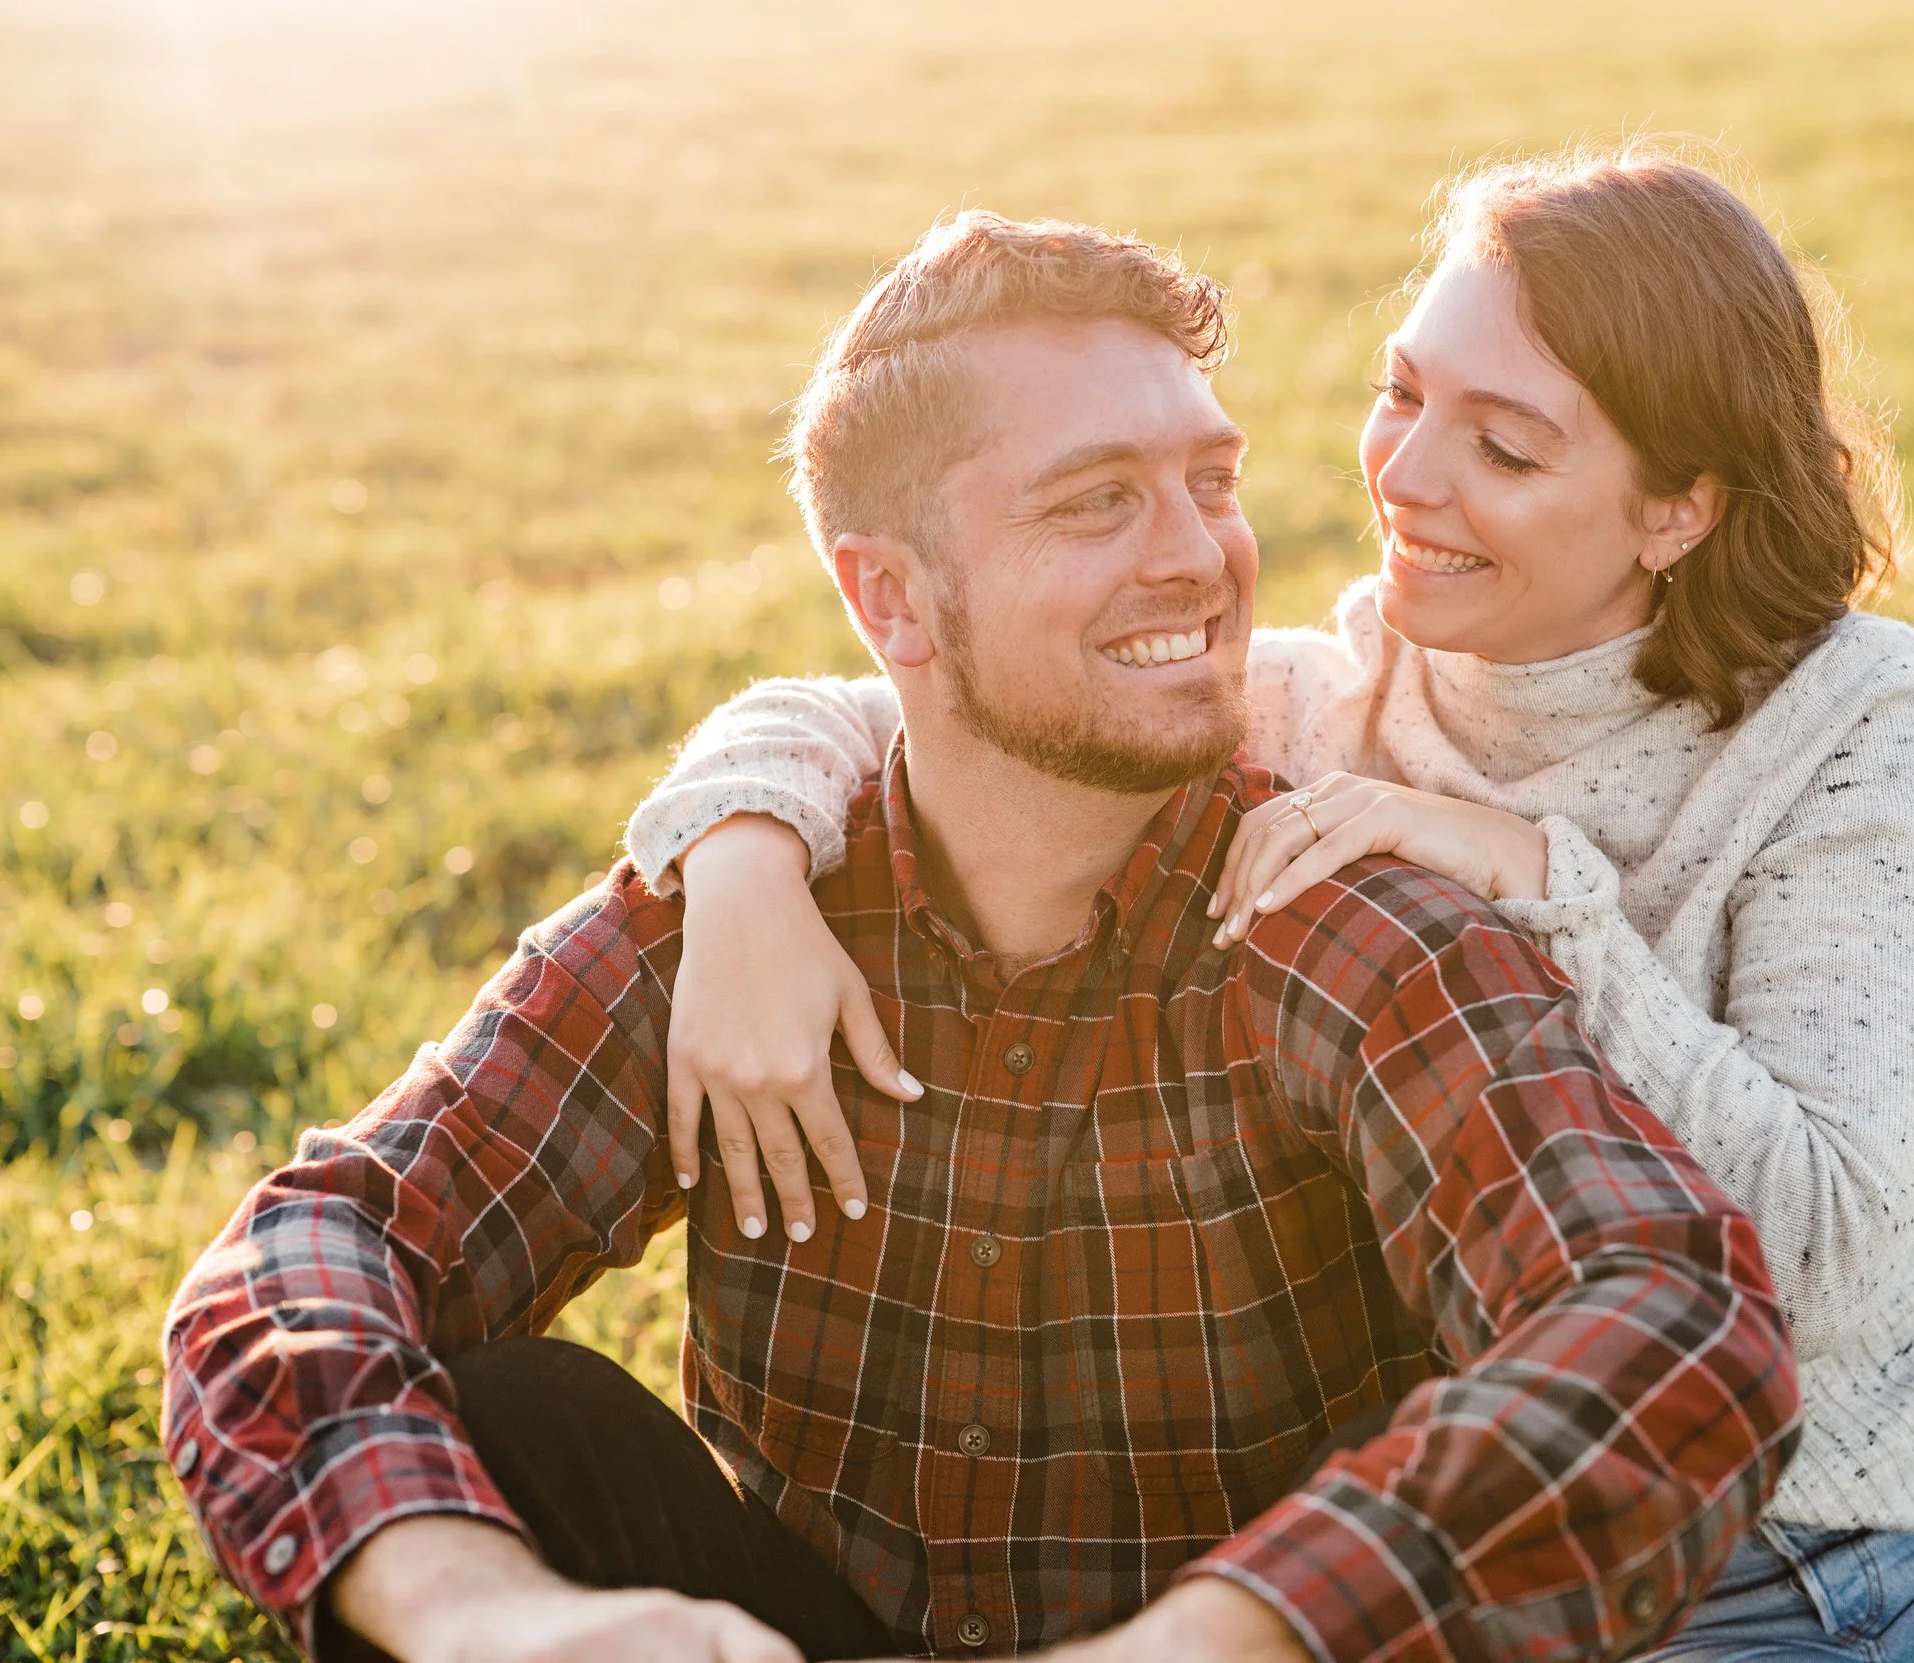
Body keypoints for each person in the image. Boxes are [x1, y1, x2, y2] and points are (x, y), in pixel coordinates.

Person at [631, 147, 1914, 1659]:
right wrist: (743, 866)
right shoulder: (1326, 714)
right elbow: (905, 696)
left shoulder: (1855, 715)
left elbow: (1822, 1245)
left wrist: (1546, 890)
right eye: (1402, 394)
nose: (1405, 478)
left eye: (1504, 447)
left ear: (1678, 507)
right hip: (1666, 1581)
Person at [161, 210, 1800, 1663]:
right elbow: (316, 1242)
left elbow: (1669, 1308)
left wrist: (1231, 1633)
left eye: (1208, 481)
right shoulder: (744, 914)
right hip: (819, 1620)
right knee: (510, 1428)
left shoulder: (1340, 913)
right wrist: (477, 1609)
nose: (1201, 554)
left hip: (1238, 1636)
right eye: (1096, 502)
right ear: (892, 602)